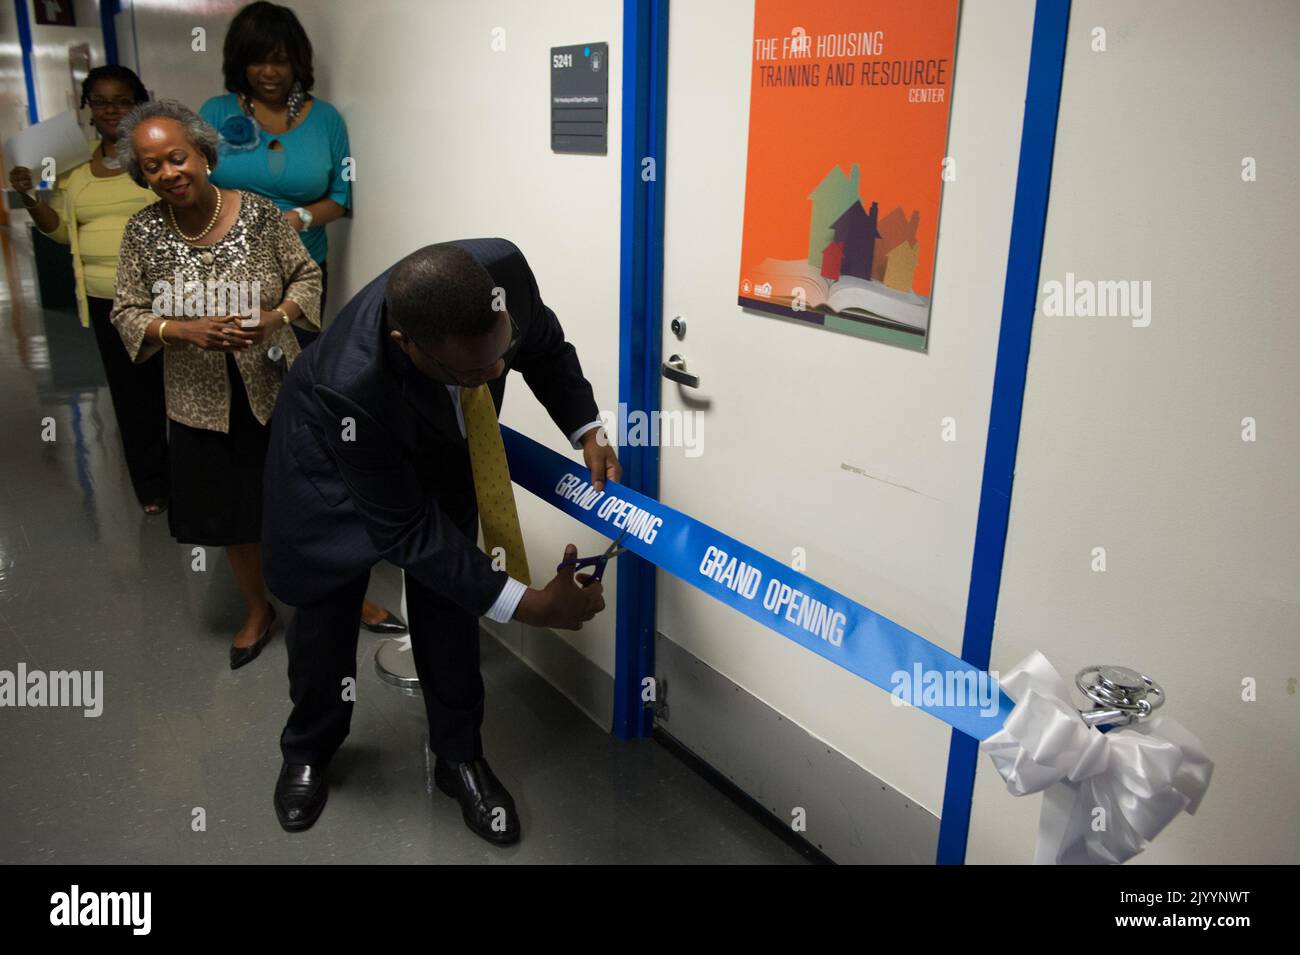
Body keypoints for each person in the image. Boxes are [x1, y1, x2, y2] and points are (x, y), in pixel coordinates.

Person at [262, 240, 620, 845]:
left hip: (437, 444)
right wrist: (534, 607)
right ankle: (310, 748)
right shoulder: (349, 381)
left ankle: (459, 758)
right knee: (324, 619)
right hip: (329, 464)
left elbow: (544, 345)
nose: (496, 374)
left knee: (451, 605)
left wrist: (586, 427)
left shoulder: (501, 272)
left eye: (499, 355)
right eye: (473, 372)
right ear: (408, 346)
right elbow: (404, 530)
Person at [200, 1, 403, 636]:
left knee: (315, 447)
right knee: (239, 451)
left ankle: (342, 588)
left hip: (299, 296)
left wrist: (289, 222)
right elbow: (187, 190)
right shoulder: (213, 116)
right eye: (258, 59)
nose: (270, 71)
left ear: (300, 61)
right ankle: (259, 603)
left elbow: (340, 198)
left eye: (282, 58)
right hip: (221, 297)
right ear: (240, 62)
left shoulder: (328, 122)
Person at [110, 99, 321, 669]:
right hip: (199, 401)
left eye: (177, 157)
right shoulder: (143, 231)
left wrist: (275, 317)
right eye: (152, 166)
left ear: (202, 154)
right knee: (234, 512)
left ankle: (336, 600)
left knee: (306, 500)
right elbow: (126, 313)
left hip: (276, 383)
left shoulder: (257, 213)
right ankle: (258, 608)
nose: (168, 173)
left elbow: (306, 275)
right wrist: (181, 330)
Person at [9, 65, 168, 513]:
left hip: (169, 297)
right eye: (101, 102)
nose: (111, 110)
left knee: (182, 388)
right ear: (88, 111)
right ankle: (152, 486)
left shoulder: (157, 156)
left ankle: (195, 478)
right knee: (132, 395)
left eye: (122, 100)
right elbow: (60, 231)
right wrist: (29, 198)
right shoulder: (73, 169)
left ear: (140, 102)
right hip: (107, 303)